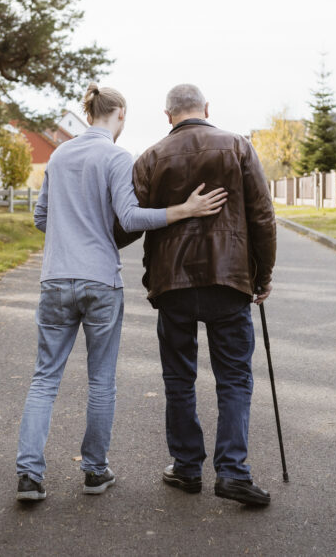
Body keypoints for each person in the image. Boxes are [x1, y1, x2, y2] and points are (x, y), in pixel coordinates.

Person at [15, 83, 227, 503]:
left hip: (56, 280)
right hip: (100, 283)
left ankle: (29, 476)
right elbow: (129, 218)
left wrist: (68, 230)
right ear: (120, 115)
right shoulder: (115, 156)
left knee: (44, 379)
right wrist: (184, 210)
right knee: (100, 381)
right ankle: (94, 472)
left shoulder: (59, 155)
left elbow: (41, 217)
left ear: (89, 113)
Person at [131, 83, 276, 507]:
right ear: (206, 109)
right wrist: (262, 275)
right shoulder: (238, 147)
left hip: (171, 284)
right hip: (228, 281)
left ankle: (187, 467)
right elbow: (262, 216)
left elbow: (127, 225)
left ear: (167, 114)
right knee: (234, 377)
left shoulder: (151, 157)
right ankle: (232, 472)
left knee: (179, 378)